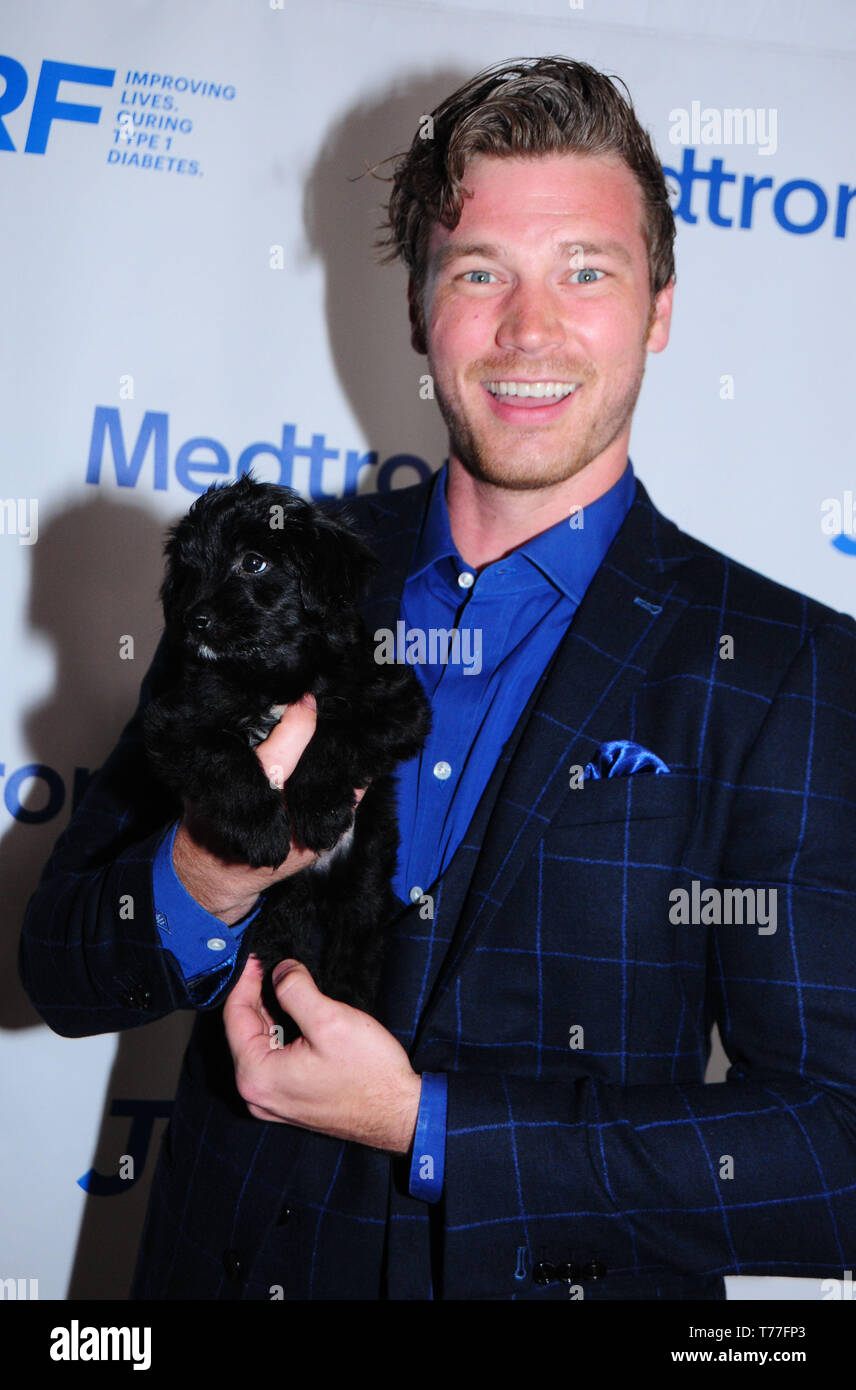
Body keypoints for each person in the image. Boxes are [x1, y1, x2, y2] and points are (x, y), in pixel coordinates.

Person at [20, 56, 856, 1302]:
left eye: (586, 269)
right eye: (480, 273)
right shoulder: (269, 583)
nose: (530, 328)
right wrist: (204, 877)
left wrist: (433, 1124)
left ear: (659, 306)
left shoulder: (785, 669)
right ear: (419, 309)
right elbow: (66, 969)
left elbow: (830, 1162)